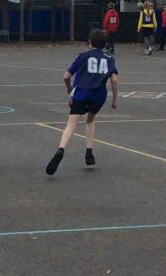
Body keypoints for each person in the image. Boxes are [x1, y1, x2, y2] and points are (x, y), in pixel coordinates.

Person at [46, 29, 119, 174]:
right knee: (90, 120)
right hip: (99, 95)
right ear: (105, 44)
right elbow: (114, 80)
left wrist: (69, 90)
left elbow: (66, 76)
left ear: (90, 42)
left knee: (71, 125)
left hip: (81, 93)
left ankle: (61, 150)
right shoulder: (109, 59)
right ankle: (89, 152)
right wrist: (114, 100)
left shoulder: (83, 56)